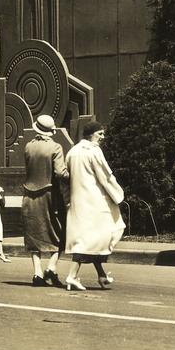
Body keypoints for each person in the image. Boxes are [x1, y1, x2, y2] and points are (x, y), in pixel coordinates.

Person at [63, 121, 125, 291]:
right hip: (95, 201)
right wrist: (117, 194)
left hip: (78, 202)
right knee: (97, 237)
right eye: (100, 134)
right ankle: (72, 275)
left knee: (90, 239)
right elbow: (105, 176)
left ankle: (101, 275)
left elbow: (66, 177)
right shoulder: (93, 151)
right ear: (91, 134)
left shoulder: (73, 151)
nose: (103, 138)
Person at [21, 114, 68, 287]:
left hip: (29, 195)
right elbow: (60, 173)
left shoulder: (28, 146)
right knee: (58, 232)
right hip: (50, 195)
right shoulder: (55, 147)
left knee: (33, 235)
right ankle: (52, 267)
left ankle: (37, 273)